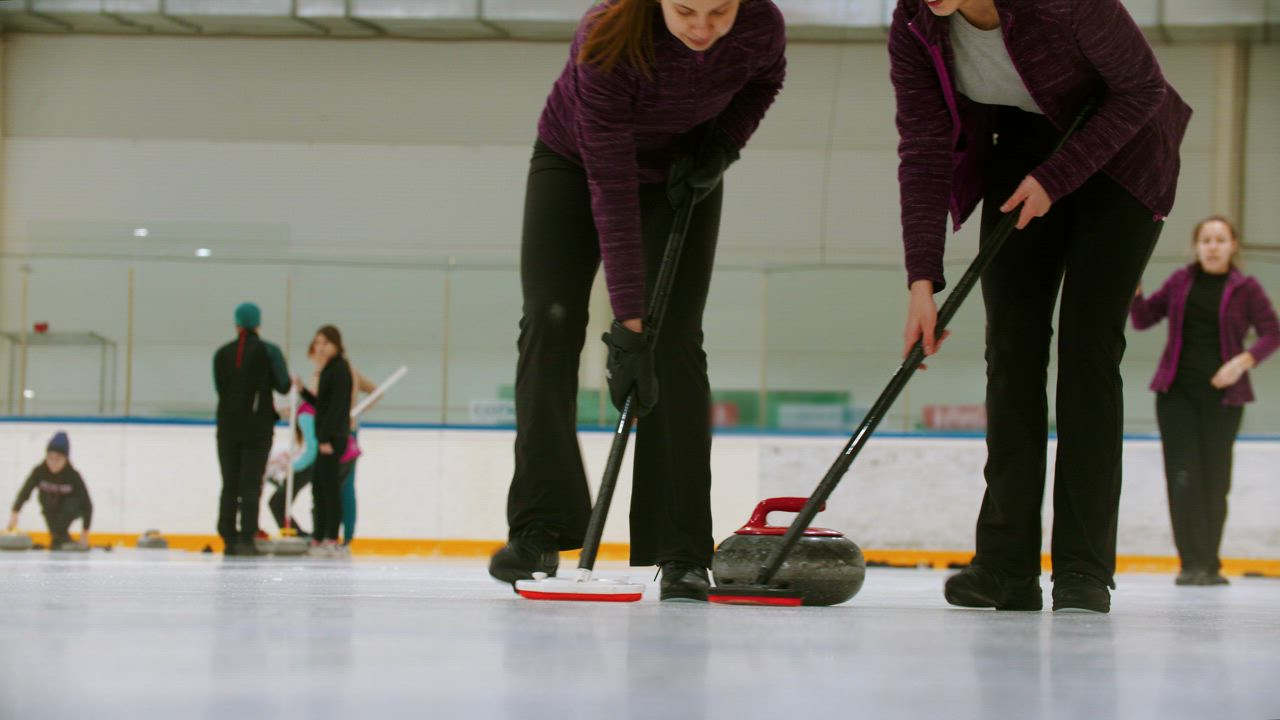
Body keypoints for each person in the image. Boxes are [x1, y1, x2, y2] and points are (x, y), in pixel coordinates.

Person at [890, 0, 1192, 612]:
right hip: (1020, 147)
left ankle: (1083, 567)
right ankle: (1005, 567)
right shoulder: (915, 22)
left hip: (1123, 156)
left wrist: (1058, 178)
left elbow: (1142, 89)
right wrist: (922, 280)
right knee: (1011, 351)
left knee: (1088, 353)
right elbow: (923, 145)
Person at [487, 0, 786, 602]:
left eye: (718, 11)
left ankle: (680, 551)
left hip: (684, 168)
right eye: (685, 11)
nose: (703, 27)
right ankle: (541, 526)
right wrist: (627, 329)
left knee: (675, 341)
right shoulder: (608, 37)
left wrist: (722, 146)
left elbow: (765, 80)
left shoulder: (760, 25)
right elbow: (612, 192)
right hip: (577, 166)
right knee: (550, 320)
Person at [1131, 215, 1279, 586]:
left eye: (1220, 240)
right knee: (1182, 478)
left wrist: (1241, 363)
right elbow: (1144, 319)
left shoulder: (1246, 288)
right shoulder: (1180, 282)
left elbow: (1272, 333)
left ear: (1233, 247)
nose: (1213, 246)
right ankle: (1190, 563)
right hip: (1176, 395)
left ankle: (1210, 563)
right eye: (1206, 240)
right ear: (1197, 247)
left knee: (1215, 480)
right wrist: (1132, 291)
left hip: (1224, 399)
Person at [214, 302, 290, 556]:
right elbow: (283, 386)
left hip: (227, 428)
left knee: (229, 482)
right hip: (258, 428)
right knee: (250, 483)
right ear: (258, 323)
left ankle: (228, 535)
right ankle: (247, 536)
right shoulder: (270, 352)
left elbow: (221, 389)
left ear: (236, 324)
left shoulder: (222, 354)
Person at [296, 325, 353, 557]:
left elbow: (337, 408)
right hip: (325, 438)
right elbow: (322, 405)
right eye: (318, 342)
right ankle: (319, 536)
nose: (320, 347)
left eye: (325, 342)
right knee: (318, 488)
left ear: (336, 344)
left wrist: (326, 438)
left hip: (332, 438)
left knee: (329, 488)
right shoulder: (329, 369)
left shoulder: (339, 369)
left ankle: (330, 537)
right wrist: (303, 392)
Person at [7, 432, 93, 550]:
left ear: (66, 459)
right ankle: (61, 539)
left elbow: (87, 505)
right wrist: (15, 512)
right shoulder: (39, 471)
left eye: (58, 459)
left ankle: (61, 537)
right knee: (45, 499)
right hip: (50, 507)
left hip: (70, 509)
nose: (53, 463)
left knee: (70, 504)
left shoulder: (73, 476)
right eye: (50, 458)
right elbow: (25, 492)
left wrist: (85, 533)